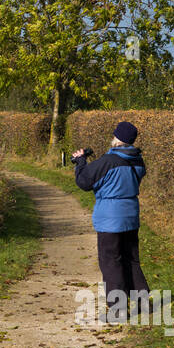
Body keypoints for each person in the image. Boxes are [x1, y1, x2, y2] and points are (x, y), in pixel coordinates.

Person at [71, 121, 148, 322]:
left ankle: (118, 309)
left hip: (110, 219)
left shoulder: (109, 160)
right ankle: (143, 301)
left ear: (117, 137)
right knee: (131, 259)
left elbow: (84, 181)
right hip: (131, 216)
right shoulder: (138, 161)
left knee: (111, 262)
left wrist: (80, 162)